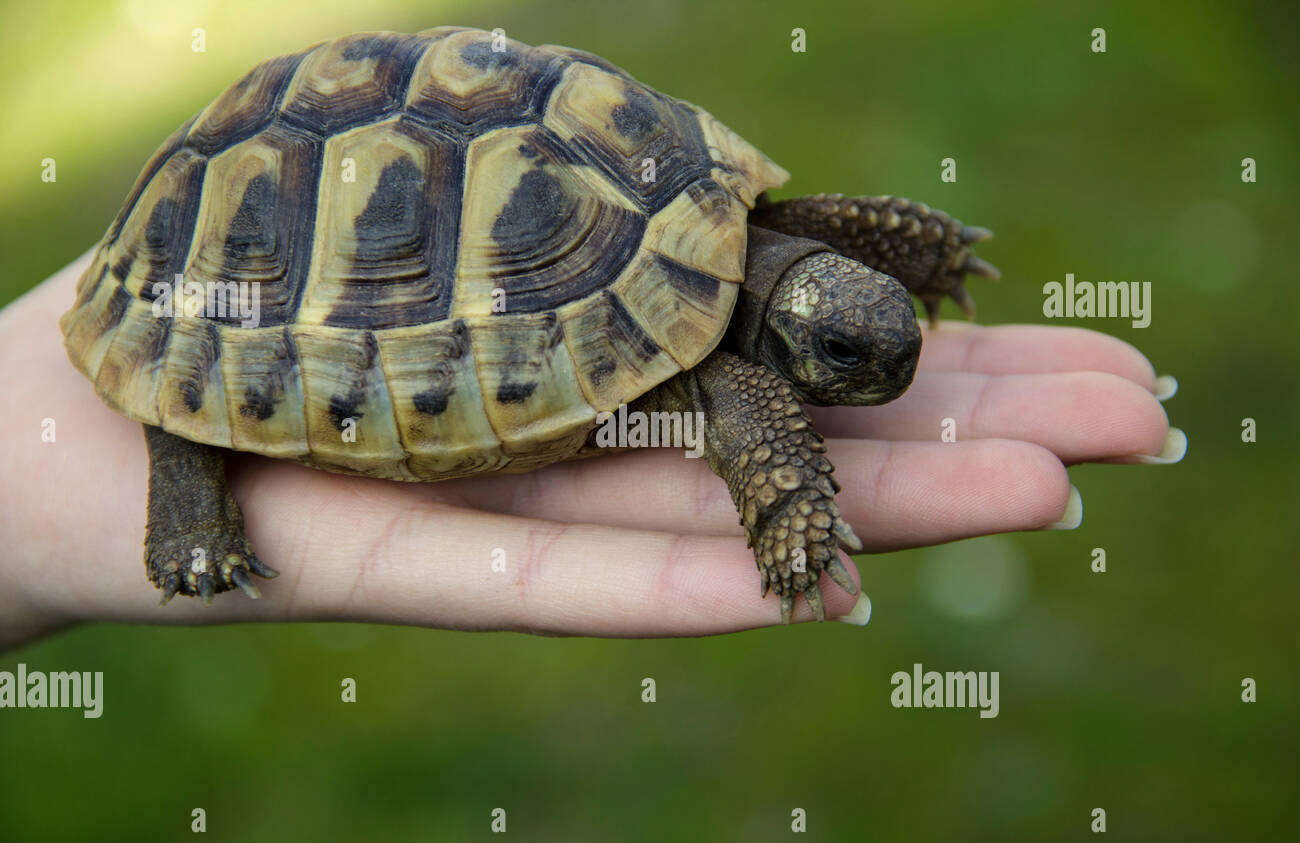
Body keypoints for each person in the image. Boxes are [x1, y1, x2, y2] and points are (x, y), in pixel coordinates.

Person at [0, 253, 1184, 645]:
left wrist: (901, 248)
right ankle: (188, 497)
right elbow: (745, 399)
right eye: (844, 358)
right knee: (193, 424)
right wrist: (792, 507)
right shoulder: (734, 359)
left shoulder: (771, 268)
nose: (880, 377)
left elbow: (797, 246)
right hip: (257, 290)